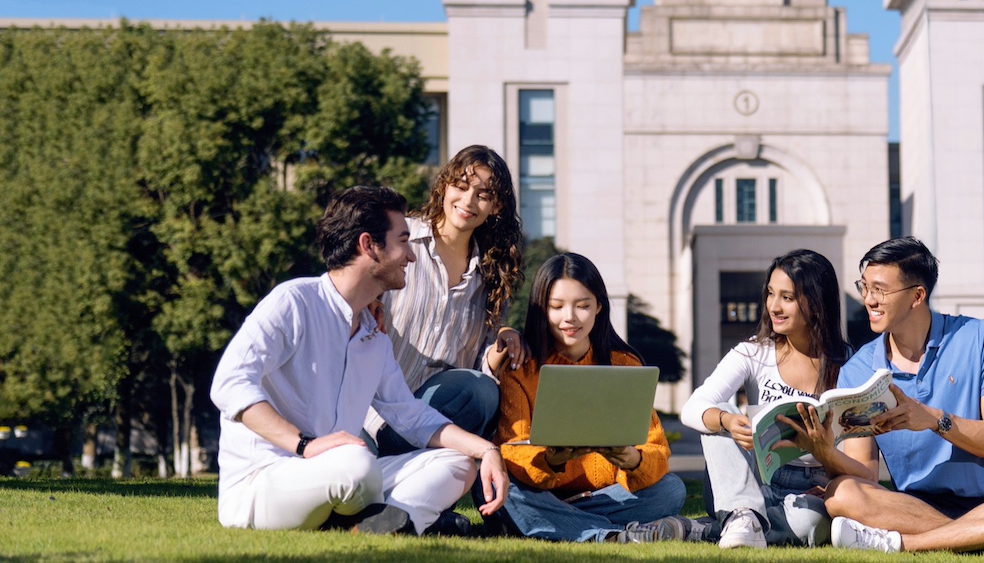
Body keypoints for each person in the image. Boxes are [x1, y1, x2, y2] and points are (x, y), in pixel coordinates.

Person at [209, 186, 511, 534]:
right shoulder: (294, 302)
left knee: (457, 464)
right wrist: (305, 444)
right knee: (357, 464)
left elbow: (410, 415)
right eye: (402, 242)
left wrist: (486, 451)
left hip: (342, 474)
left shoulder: (373, 334)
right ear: (369, 245)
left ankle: (387, 524)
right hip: (265, 481)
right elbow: (229, 384)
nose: (411, 258)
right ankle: (403, 520)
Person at [816, 238, 984, 557]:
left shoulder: (979, 338)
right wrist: (823, 450)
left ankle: (905, 544)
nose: (868, 300)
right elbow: (865, 475)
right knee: (841, 494)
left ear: (917, 296)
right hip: (910, 507)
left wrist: (934, 421)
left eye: (880, 289)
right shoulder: (857, 370)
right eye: (864, 287)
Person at [493, 251, 695, 543]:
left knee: (671, 489)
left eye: (583, 306)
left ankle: (557, 522)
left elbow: (657, 449)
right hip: (540, 492)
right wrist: (550, 460)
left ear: (599, 306)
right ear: (541, 309)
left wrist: (633, 459)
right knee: (503, 489)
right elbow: (511, 450)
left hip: (606, 496)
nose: (569, 318)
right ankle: (610, 534)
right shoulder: (521, 369)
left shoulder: (625, 364)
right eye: (557, 306)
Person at [682, 249, 849, 548]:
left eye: (787, 297)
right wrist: (727, 421)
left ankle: (712, 529)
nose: (774, 306)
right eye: (771, 294)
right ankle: (745, 514)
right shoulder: (752, 352)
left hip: (814, 487)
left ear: (816, 303)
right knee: (718, 410)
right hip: (753, 478)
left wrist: (830, 487)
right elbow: (692, 408)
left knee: (812, 523)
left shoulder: (848, 363)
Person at [369, 145, 527, 459]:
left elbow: (477, 366)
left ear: (496, 207)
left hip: (438, 419)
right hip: (373, 412)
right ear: (445, 186)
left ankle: (424, 468)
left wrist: (502, 344)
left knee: (481, 389)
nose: (467, 201)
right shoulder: (401, 238)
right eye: (461, 186)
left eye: (482, 195)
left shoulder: (491, 276)